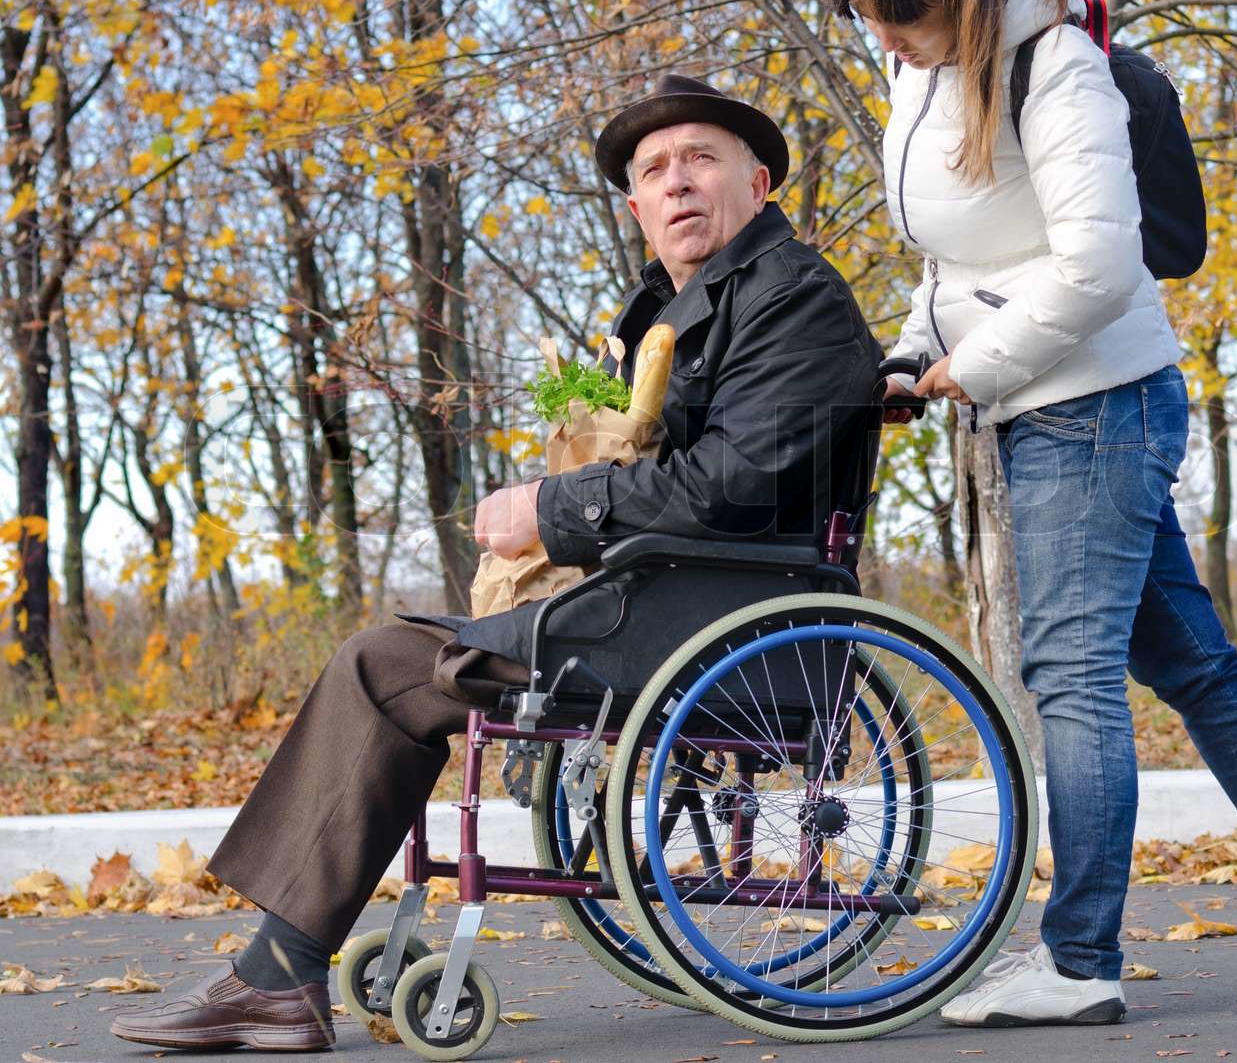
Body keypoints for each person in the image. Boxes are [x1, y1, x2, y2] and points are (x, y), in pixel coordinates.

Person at [108, 73, 881, 1052]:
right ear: (635, 207)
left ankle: (275, 974)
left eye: (701, 158)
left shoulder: (792, 296)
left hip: (730, 610)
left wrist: (550, 510)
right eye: (654, 170)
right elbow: (644, 456)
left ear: (758, 181)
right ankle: (277, 968)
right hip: (667, 593)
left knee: (387, 663)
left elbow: (729, 482)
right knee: (392, 654)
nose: (677, 181)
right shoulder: (670, 318)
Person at [825, 0, 1237, 1028]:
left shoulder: (1059, 69)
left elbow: (1097, 266)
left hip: (1090, 403)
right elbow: (970, 254)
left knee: (1070, 677)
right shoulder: (932, 68)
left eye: (908, 32)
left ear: (964, 1)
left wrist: (967, 369)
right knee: (1191, 663)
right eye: (873, 32)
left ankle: (1078, 957)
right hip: (1051, 399)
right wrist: (908, 349)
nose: (891, 52)